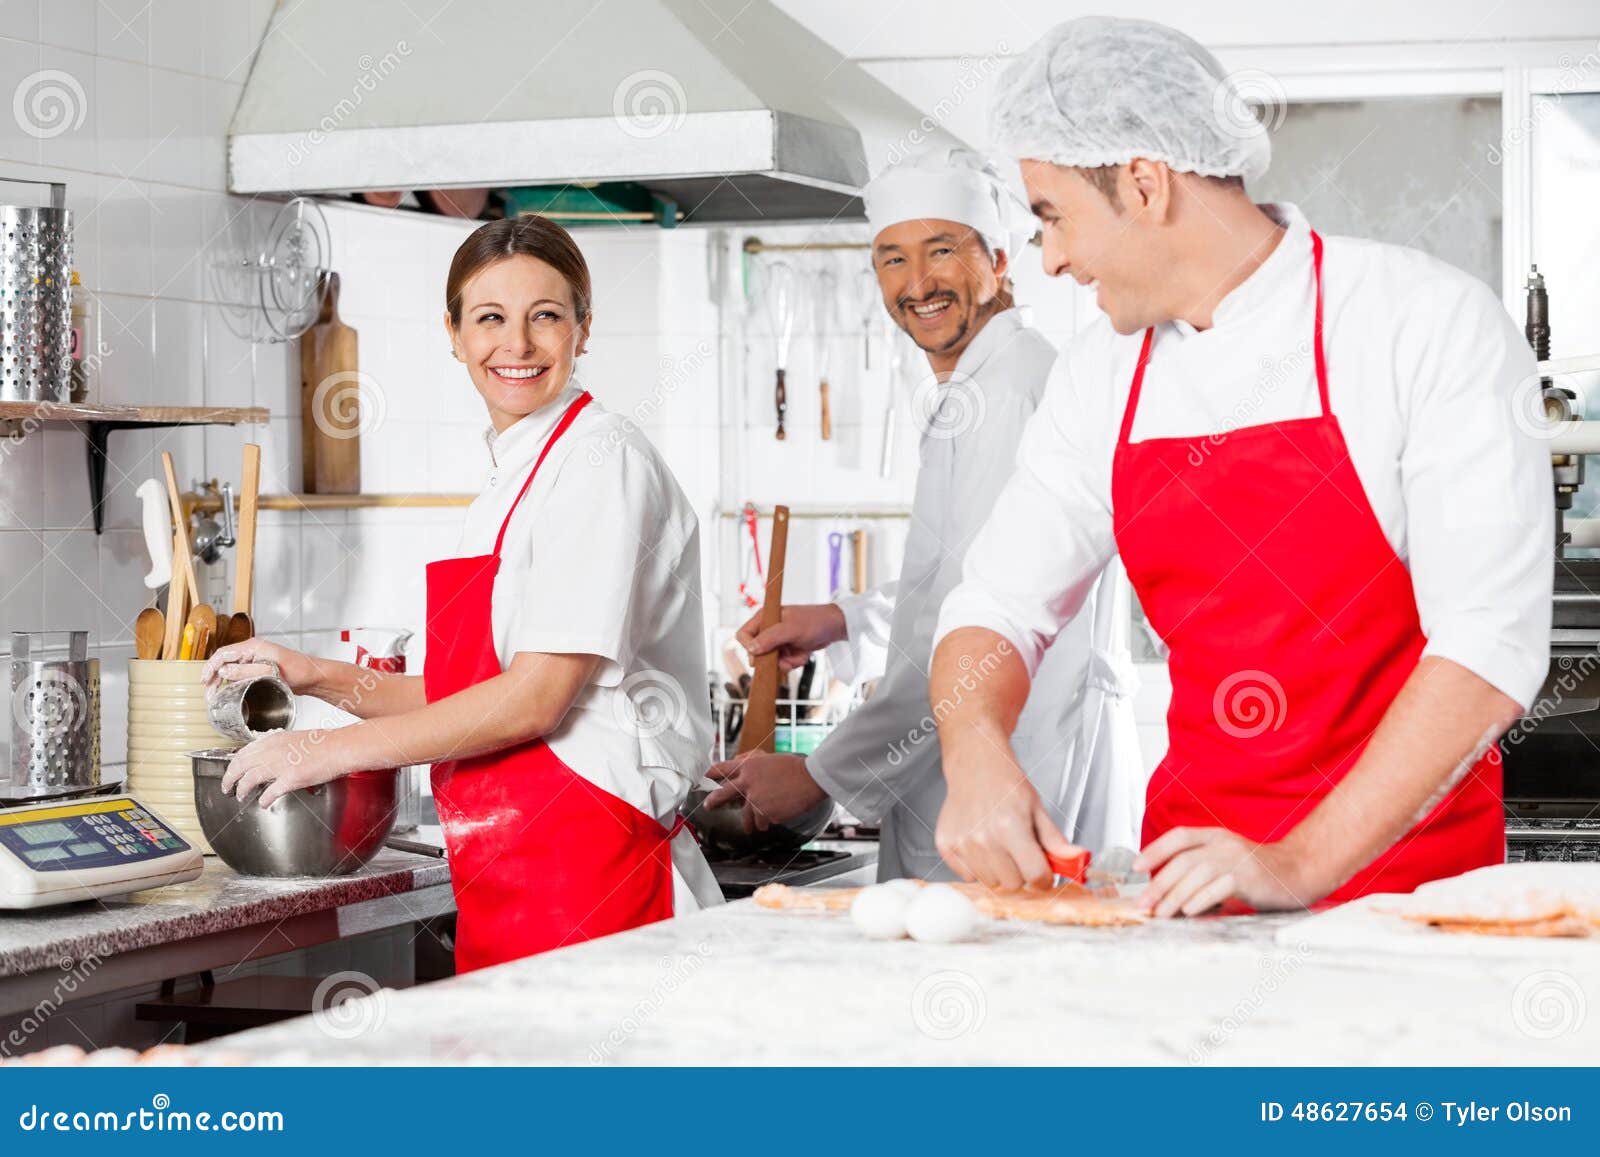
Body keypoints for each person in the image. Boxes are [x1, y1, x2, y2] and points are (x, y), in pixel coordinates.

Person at [929, 16, 1551, 914]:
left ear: (1143, 184)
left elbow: (1488, 645)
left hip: (1414, 907)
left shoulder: (1422, 323)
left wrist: (1296, 863)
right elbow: (996, 606)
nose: (1052, 259)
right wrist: (975, 751)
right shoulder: (1102, 377)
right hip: (1188, 895)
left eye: (1053, 217)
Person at [203, 216, 722, 970]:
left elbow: (536, 698)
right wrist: (315, 675)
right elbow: (473, 692)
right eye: (489, 318)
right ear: (453, 333)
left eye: (545, 316)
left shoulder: (601, 459)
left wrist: (328, 748)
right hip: (512, 878)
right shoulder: (516, 472)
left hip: (601, 882)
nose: (516, 345)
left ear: (583, 328)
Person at [705, 148, 1143, 881]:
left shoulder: (1008, 393)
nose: (918, 284)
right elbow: (976, 577)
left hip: (1026, 762)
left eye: (942, 251)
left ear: (1000, 260)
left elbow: (970, 625)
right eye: (892, 260)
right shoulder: (983, 386)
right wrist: (846, 618)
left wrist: (820, 772)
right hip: (999, 764)